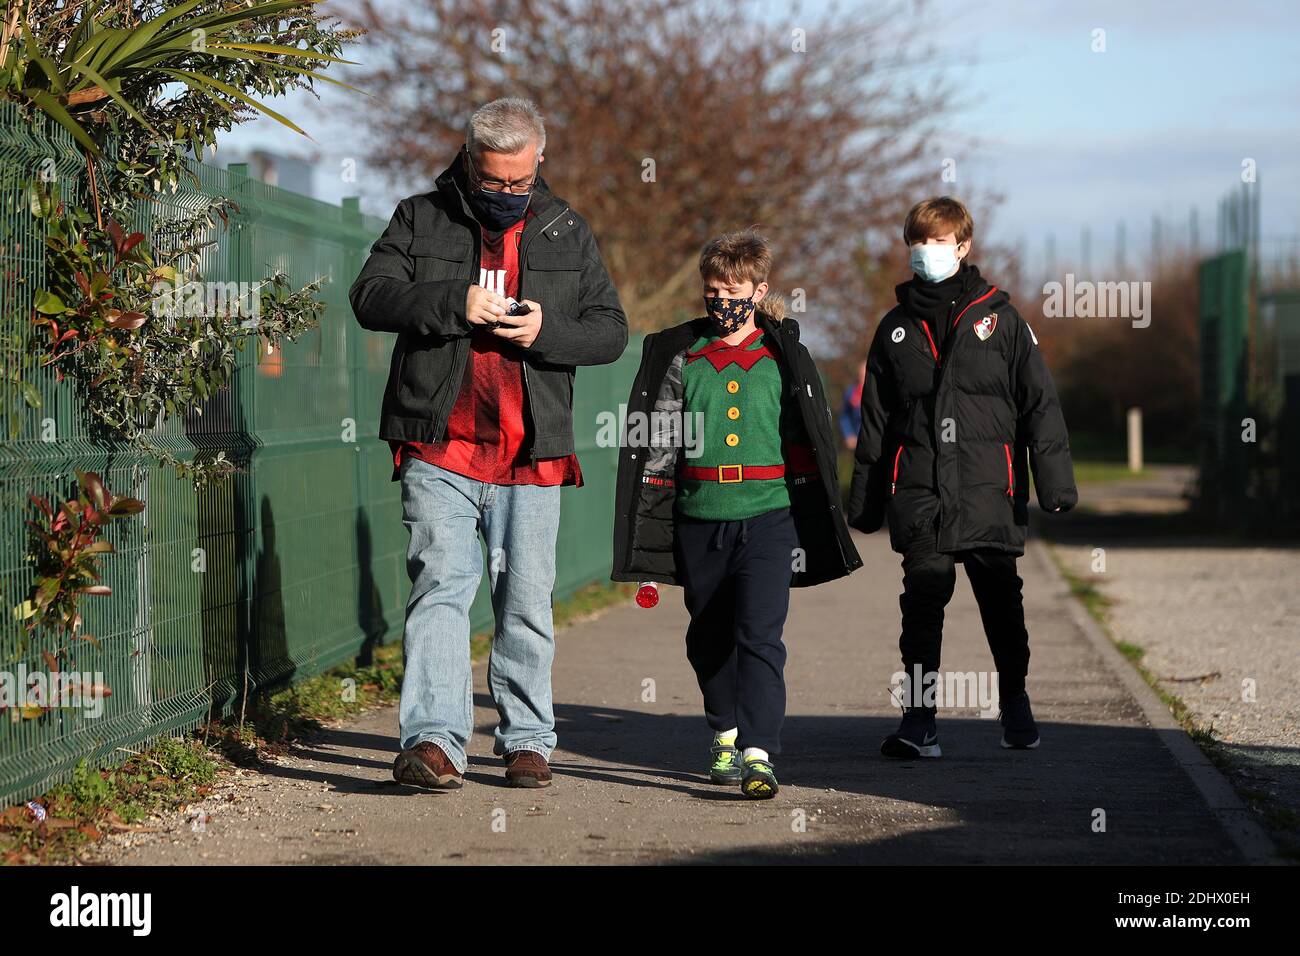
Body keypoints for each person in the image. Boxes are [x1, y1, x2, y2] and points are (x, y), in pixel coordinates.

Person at [349, 97, 627, 790]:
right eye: (492, 181)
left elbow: (611, 331)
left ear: (541, 162)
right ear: (469, 160)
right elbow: (371, 296)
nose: (505, 194)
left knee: (524, 601)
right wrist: (452, 301)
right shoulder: (420, 216)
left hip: (532, 454)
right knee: (440, 589)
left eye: (519, 182)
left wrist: (547, 332)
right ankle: (435, 743)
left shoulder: (567, 229)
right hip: (438, 446)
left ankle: (528, 739)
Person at [612, 229, 862, 798]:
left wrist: (816, 516)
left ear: (760, 289)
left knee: (760, 635)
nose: (722, 297)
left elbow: (810, 444)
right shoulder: (680, 357)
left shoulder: (783, 357)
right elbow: (658, 445)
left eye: (734, 287)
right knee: (708, 637)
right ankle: (724, 731)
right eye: (713, 287)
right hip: (699, 516)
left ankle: (759, 752)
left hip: (770, 517)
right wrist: (647, 524)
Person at [847, 196, 1076, 758]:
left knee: (1002, 602)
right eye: (918, 243)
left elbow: (1039, 404)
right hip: (920, 489)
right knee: (923, 598)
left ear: (963, 246)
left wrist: (1055, 485)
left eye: (938, 241)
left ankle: (1015, 701)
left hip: (986, 488)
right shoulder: (894, 330)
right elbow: (874, 421)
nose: (926, 253)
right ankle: (919, 722)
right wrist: (867, 505)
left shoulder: (1002, 319)